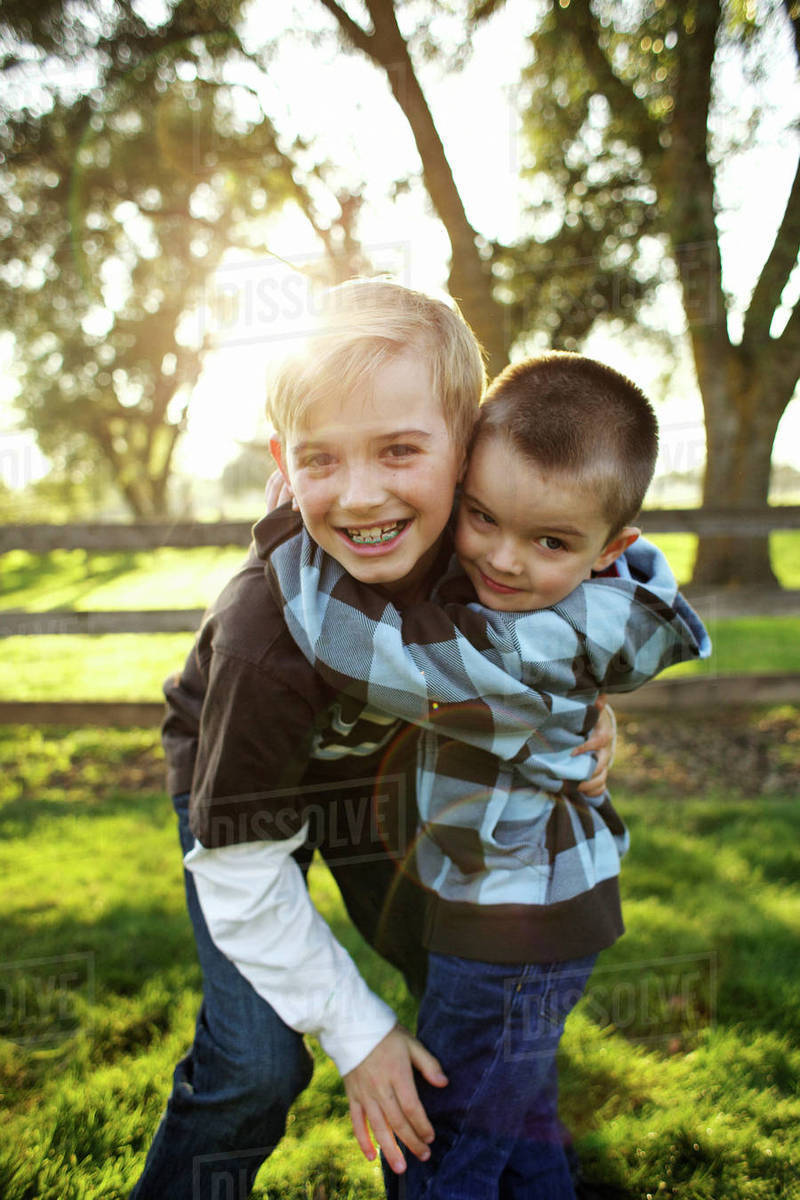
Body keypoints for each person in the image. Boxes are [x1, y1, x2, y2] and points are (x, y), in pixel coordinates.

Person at [130, 283, 615, 1199]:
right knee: (256, 1063)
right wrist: (360, 1034)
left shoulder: (495, 555)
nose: (361, 496)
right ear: (282, 460)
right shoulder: (264, 633)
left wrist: (587, 711)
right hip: (242, 798)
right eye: (320, 459)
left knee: (481, 990)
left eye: (399, 450)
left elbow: (590, 605)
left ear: (470, 446)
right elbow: (240, 870)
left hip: (388, 786)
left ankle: (524, 1150)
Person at [268, 351, 712, 1198]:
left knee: (441, 1155)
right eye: (481, 517)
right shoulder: (589, 592)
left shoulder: (528, 639)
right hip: (538, 916)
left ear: (612, 547)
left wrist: (292, 525)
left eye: (549, 541)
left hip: (512, 934)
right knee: (518, 1125)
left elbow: (364, 652)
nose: (504, 560)